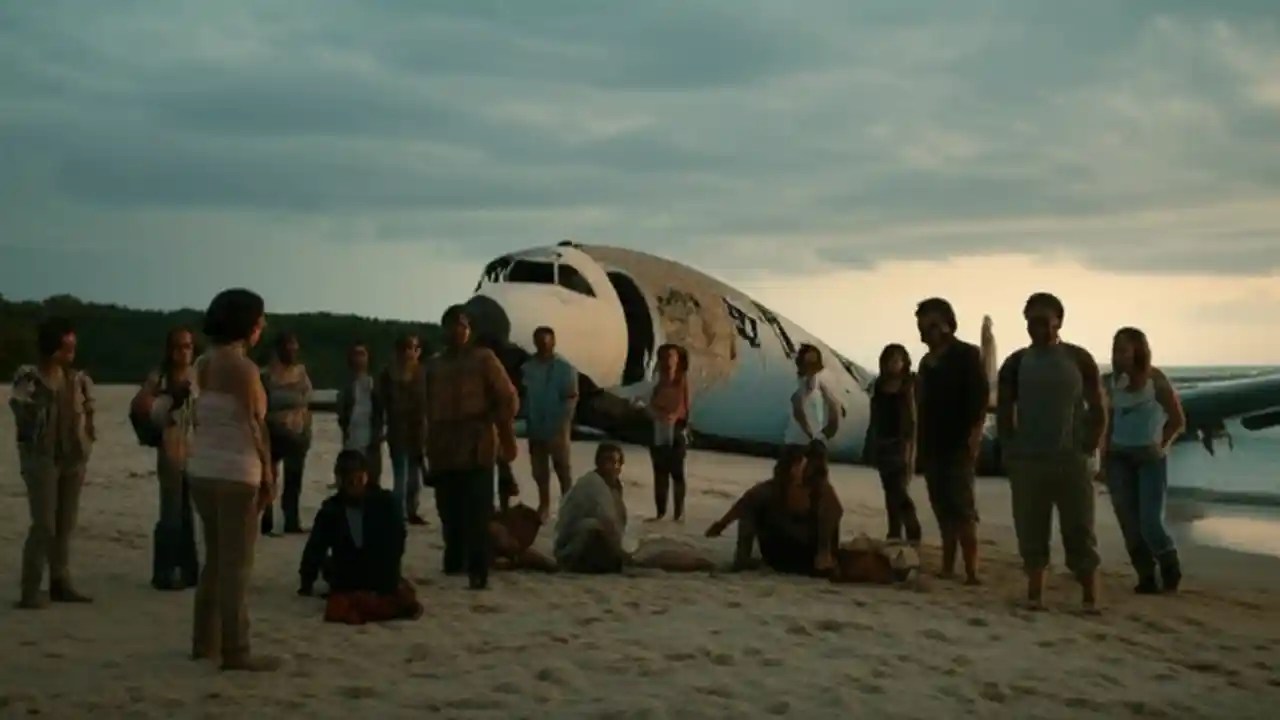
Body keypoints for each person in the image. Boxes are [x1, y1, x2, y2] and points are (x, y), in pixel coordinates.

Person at [187, 288, 279, 671]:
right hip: (237, 472)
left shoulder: (203, 364)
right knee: (236, 565)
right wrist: (270, 475)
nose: (263, 327)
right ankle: (236, 650)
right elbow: (257, 425)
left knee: (214, 561)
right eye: (260, 320)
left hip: (203, 470)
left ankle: (203, 642)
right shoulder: (244, 369)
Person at [997, 292, 1107, 612]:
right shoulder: (1016, 362)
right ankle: (1035, 594)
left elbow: (1099, 405)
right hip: (1029, 460)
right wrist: (1009, 449)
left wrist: (1091, 445)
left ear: (1059, 321)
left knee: (1080, 530)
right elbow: (1005, 409)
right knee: (1031, 531)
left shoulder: (1078, 358)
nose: (1037, 327)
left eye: (1044, 321)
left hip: (1071, 460)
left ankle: (1090, 597)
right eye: (1031, 321)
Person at [424, 305, 519, 590]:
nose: (457, 331)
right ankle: (454, 559)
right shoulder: (435, 365)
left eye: (462, 325)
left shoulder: (484, 360)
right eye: (452, 325)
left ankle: (479, 569)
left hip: (477, 444)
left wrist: (492, 421)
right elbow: (423, 407)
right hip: (443, 447)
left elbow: (509, 399)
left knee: (477, 512)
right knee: (448, 509)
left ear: (470, 330)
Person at [9, 316, 96, 609]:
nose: (72, 352)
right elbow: (22, 413)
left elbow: (89, 410)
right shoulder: (29, 377)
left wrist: (87, 441)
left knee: (65, 523)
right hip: (41, 458)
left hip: (72, 457)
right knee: (44, 523)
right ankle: (30, 589)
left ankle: (60, 582)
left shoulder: (77, 378)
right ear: (52, 348)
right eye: (66, 347)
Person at [1102, 327, 1186, 594]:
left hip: (1149, 459)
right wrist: (1101, 461)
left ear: (1138, 352)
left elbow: (1177, 420)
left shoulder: (1155, 380)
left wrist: (1161, 445)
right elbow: (1105, 425)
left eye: (1123, 350)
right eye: (1115, 350)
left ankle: (1169, 566)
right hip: (1118, 458)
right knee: (1129, 523)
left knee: (1150, 522)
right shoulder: (1108, 383)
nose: (1118, 356)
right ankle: (1146, 576)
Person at [297, 450, 422, 625]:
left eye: (357, 480)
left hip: (371, 577)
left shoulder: (384, 503)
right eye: (350, 481)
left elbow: (396, 545)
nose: (354, 485)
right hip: (355, 577)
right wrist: (307, 580)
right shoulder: (333, 509)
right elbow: (315, 548)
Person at [914, 297, 989, 584]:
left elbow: (979, 399)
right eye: (922, 326)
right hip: (933, 443)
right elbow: (921, 406)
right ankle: (948, 565)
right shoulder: (927, 363)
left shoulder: (966, 355)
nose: (925, 332)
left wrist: (974, 437)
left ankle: (971, 570)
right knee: (942, 507)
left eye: (931, 325)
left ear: (946, 324)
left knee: (962, 508)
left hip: (958, 442)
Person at [705, 442, 842, 576]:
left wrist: (721, 524)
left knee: (751, 504)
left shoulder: (818, 491)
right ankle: (742, 558)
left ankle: (742, 559)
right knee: (751, 505)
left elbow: (833, 513)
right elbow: (745, 503)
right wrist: (722, 524)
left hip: (801, 556)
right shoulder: (772, 490)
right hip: (783, 554)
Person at [132, 327, 200, 590]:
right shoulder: (159, 377)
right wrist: (168, 399)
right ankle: (164, 572)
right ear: (171, 350)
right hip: (170, 449)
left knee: (187, 514)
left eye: (189, 346)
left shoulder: (198, 376)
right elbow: (140, 405)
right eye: (180, 346)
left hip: (194, 451)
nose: (184, 352)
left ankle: (188, 570)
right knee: (171, 515)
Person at [522, 326, 579, 522]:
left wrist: (563, 422)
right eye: (539, 340)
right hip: (535, 426)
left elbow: (571, 397)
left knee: (563, 469)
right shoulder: (528, 368)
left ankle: (568, 506)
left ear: (553, 341)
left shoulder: (565, 368)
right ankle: (544, 505)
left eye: (546, 340)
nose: (543, 344)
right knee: (539, 471)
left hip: (558, 426)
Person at [868, 343, 922, 545]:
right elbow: (875, 416)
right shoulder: (880, 385)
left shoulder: (909, 385)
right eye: (889, 360)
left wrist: (911, 451)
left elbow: (913, 420)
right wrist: (871, 443)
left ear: (904, 362)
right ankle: (894, 531)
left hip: (902, 442)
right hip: (884, 441)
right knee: (889, 490)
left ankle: (912, 529)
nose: (893, 364)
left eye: (897, 360)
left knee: (899, 490)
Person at [260, 331, 313, 536]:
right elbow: (261, 405)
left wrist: (304, 425)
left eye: (294, 347)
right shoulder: (266, 375)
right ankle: (267, 520)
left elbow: (307, 400)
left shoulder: (301, 373)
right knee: (269, 477)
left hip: (298, 433)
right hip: (273, 431)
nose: (292, 351)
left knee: (293, 480)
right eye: (288, 347)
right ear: (279, 349)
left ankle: (291, 520)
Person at [555, 443, 629, 573]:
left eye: (614, 462)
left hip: (603, 543)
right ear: (597, 462)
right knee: (592, 527)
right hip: (577, 542)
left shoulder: (615, 488)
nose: (609, 466)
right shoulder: (590, 483)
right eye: (605, 460)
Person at [639, 343, 690, 522]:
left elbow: (685, 407)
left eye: (671, 356)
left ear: (677, 359)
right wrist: (654, 413)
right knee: (659, 472)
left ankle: (678, 512)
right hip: (658, 429)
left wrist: (674, 416)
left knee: (677, 473)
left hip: (676, 430)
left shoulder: (682, 380)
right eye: (664, 356)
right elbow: (645, 404)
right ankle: (660, 512)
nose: (668, 360)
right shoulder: (655, 382)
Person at [380, 333, 428, 525]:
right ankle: (399, 513)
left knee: (415, 478)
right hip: (398, 429)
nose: (410, 352)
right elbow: (382, 403)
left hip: (418, 430)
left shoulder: (423, 373)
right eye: (406, 348)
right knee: (401, 476)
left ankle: (411, 511)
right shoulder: (388, 375)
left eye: (413, 348)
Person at [336, 341, 384, 486]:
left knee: (372, 483)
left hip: (371, 441)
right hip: (351, 441)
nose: (359, 358)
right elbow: (342, 414)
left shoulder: (376, 383)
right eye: (355, 354)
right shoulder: (347, 385)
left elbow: (381, 411)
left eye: (362, 354)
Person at [783, 343, 841, 448]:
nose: (812, 369)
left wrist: (824, 434)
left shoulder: (818, 383)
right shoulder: (798, 385)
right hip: (798, 444)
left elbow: (833, 406)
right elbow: (798, 410)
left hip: (813, 442)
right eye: (808, 364)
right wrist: (811, 434)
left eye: (815, 364)